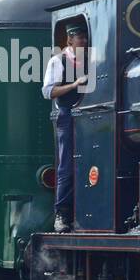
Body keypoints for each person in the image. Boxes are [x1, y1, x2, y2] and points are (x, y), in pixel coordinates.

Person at [42, 22, 90, 232]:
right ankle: (61, 214)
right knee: (66, 167)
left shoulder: (92, 60)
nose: (84, 40)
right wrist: (74, 85)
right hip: (67, 114)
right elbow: (48, 92)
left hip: (90, 115)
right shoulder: (57, 61)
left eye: (85, 37)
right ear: (70, 39)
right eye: (80, 37)